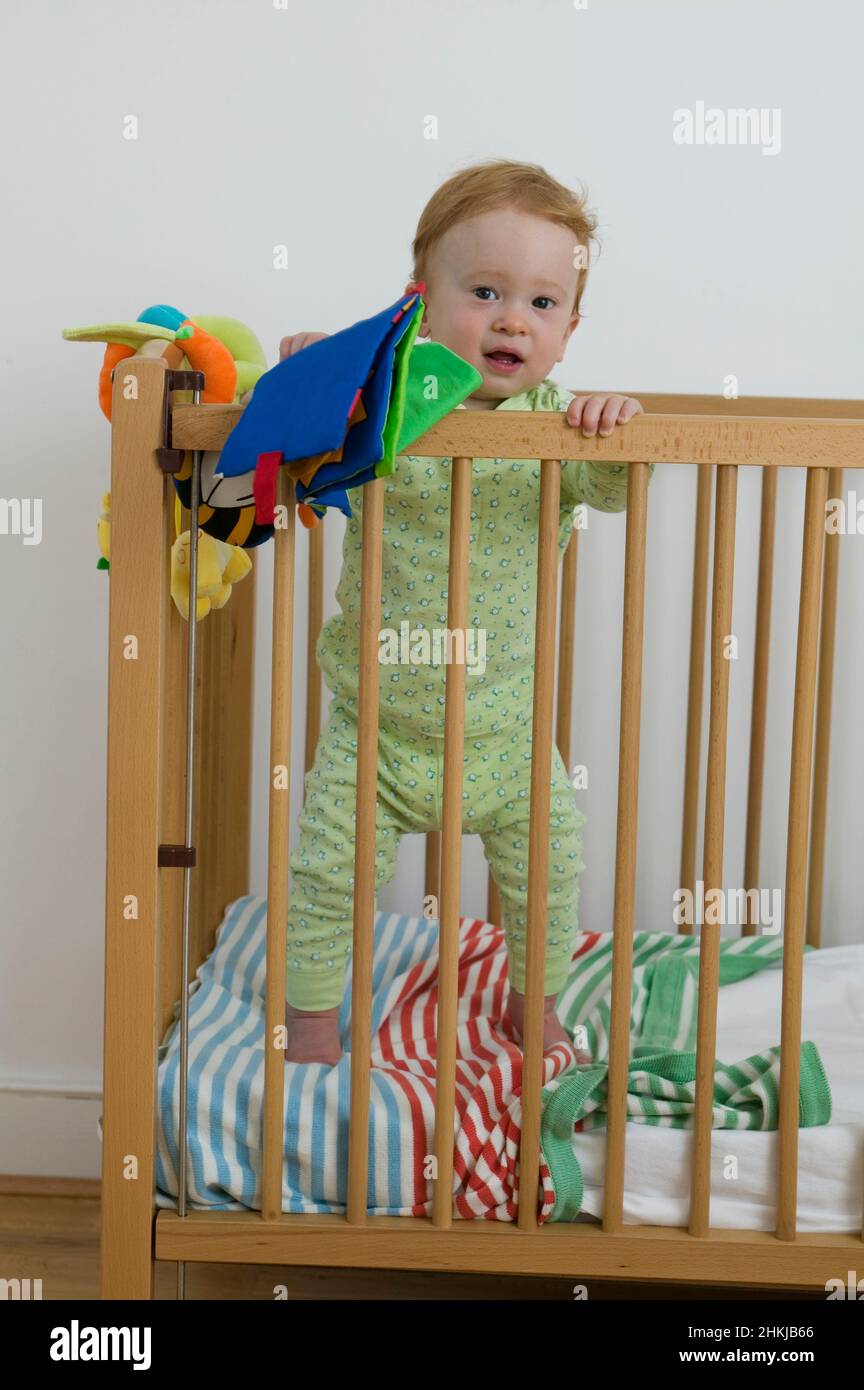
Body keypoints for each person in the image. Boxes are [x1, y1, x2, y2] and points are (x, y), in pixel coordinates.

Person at [279, 158, 651, 1066]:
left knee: (549, 871)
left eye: (542, 303)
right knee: (329, 874)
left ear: (568, 331)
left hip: (507, 736)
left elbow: (617, 483)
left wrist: (619, 420)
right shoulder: (380, 406)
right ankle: (316, 1030)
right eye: (485, 290)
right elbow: (300, 426)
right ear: (420, 299)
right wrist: (315, 362)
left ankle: (536, 1002)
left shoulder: (561, 423)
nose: (512, 319)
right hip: (379, 729)